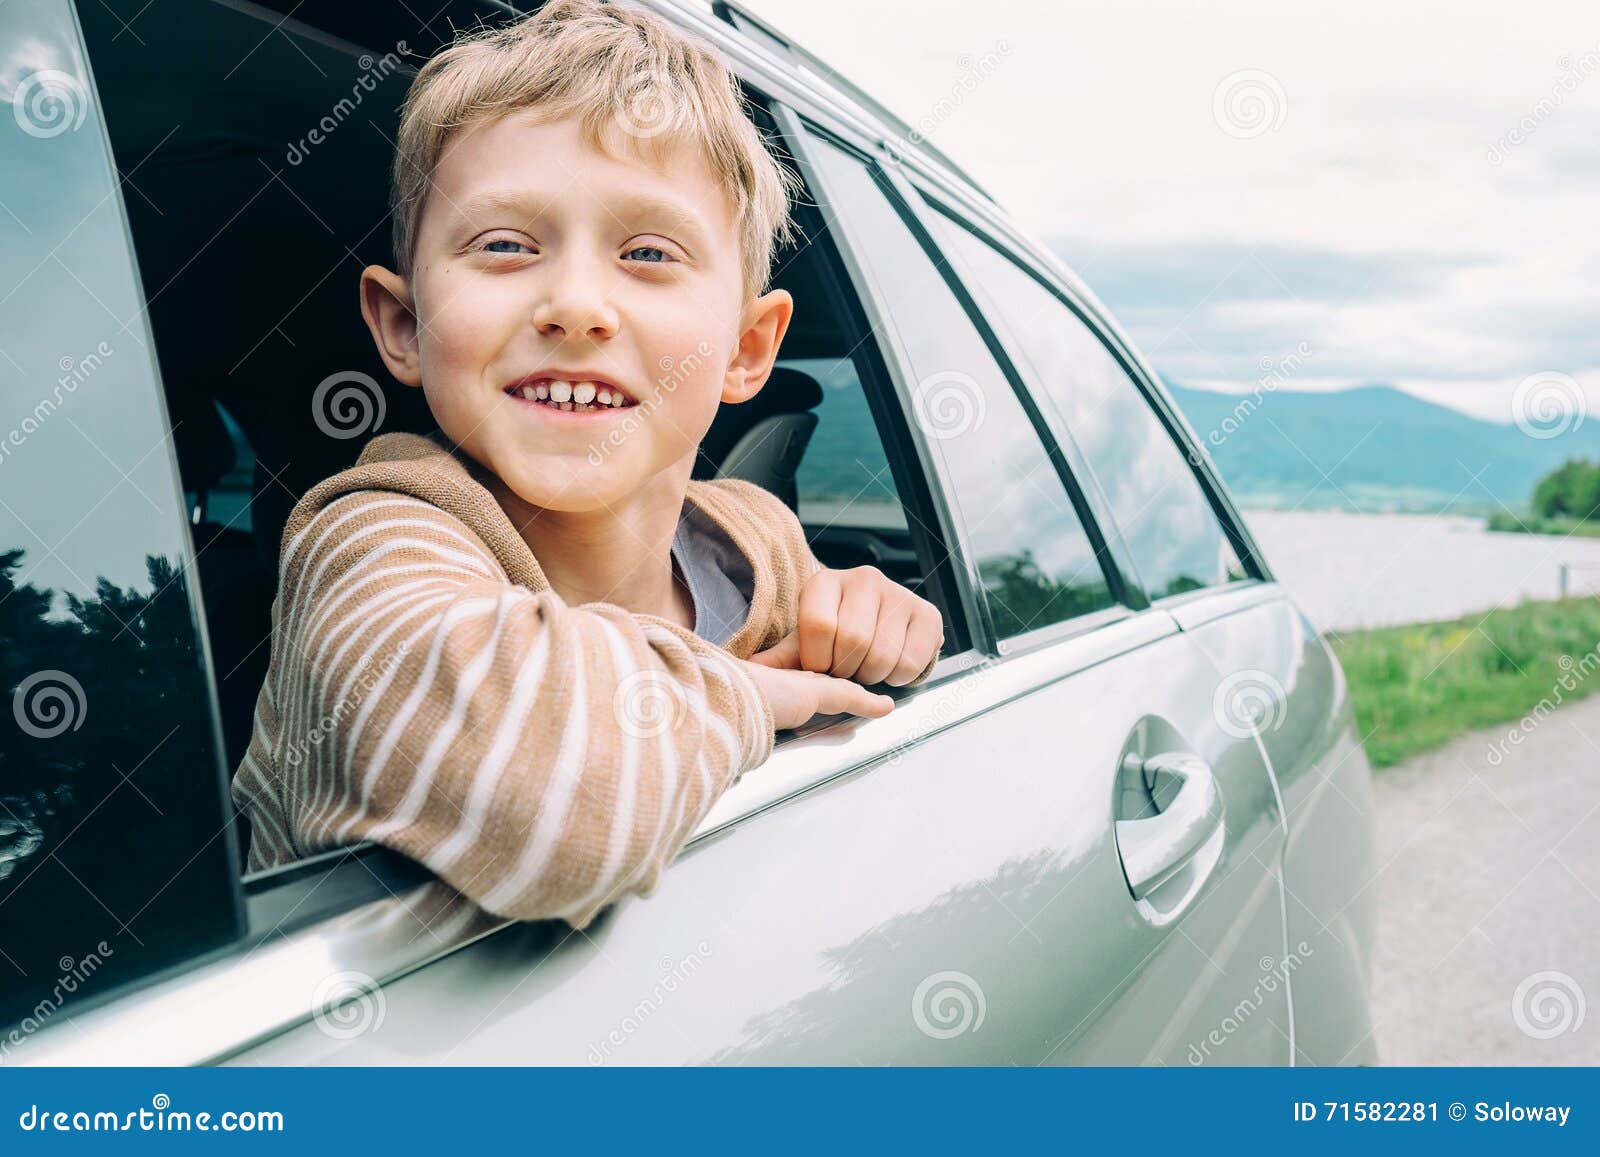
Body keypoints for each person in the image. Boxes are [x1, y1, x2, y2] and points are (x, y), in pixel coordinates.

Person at [230, 0, 944, 930]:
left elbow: (854, 628)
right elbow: (558, 817)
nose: (574, 304)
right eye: (504, 245)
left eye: (647, 252)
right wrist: (746, 694)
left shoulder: (757, 539)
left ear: (747, 350)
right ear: (404, 326)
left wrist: (882, 618)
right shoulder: (371, 539)